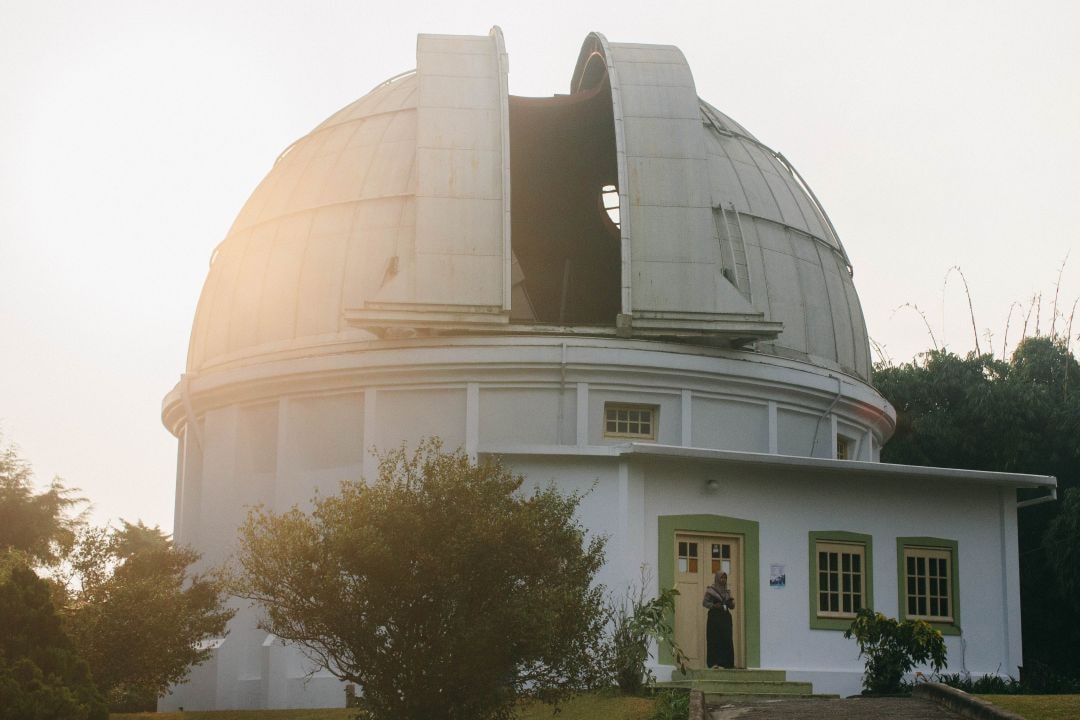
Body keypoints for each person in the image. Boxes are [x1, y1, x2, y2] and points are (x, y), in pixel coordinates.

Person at [702, 571, 735, 668]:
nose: (723, 580)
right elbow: (704, 603)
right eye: (722, 578)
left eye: (725, 578)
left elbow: (732, 606)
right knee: (715, 639)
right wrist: (713, 606)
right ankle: (714, 663)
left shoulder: (727, 592)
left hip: (725, 618)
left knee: (726, 639)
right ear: (717, 579)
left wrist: (730, 603)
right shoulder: (711, 591)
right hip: (714, 618)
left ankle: (726, 663)